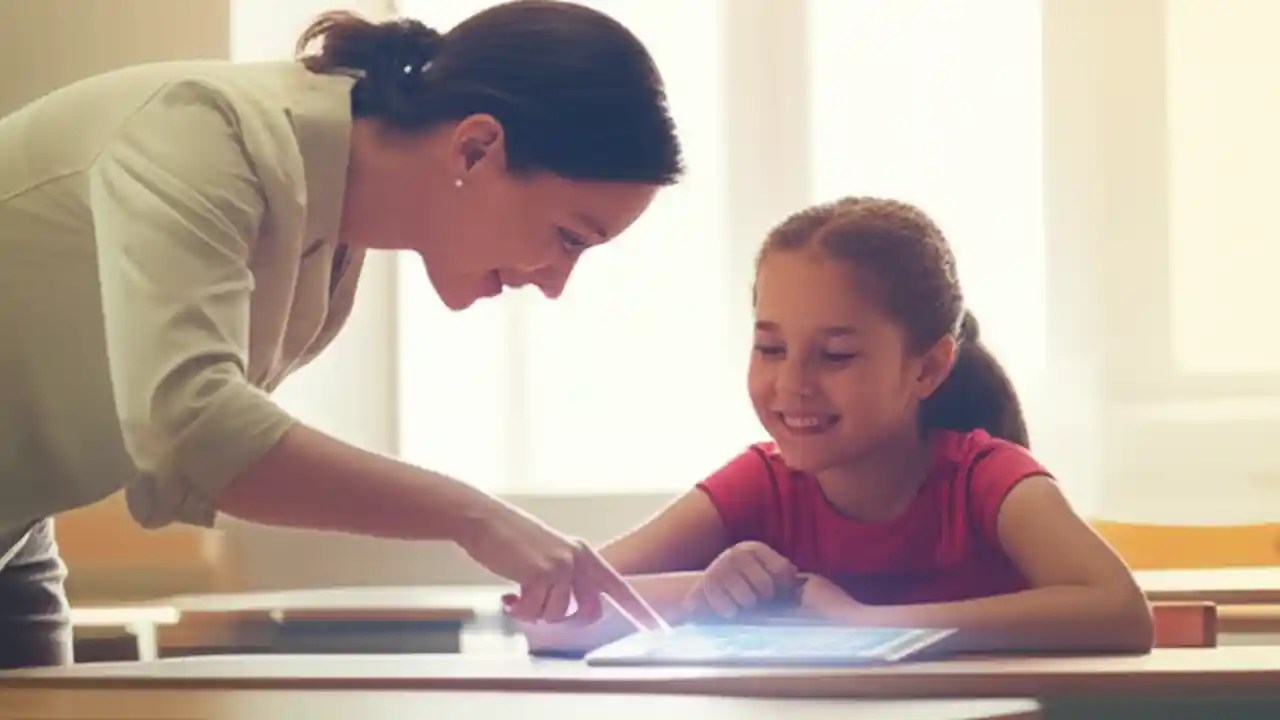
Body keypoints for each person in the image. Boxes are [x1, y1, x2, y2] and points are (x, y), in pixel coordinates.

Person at [0, 0, 678, 669]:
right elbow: (191, 426)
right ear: (476, 147)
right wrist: (479, 518)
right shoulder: (202, 132)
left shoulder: (328, 238)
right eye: (568, 237)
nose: (556, 282)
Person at [520, 197, 1156, 656]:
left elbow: (1122, 612)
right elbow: (548, 615)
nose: (793, 383)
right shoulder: (760, 482)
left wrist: (870, 622)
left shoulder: (986, 479)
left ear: (928, 367)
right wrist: (698, 599)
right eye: (771, 349)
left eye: (837, 355)